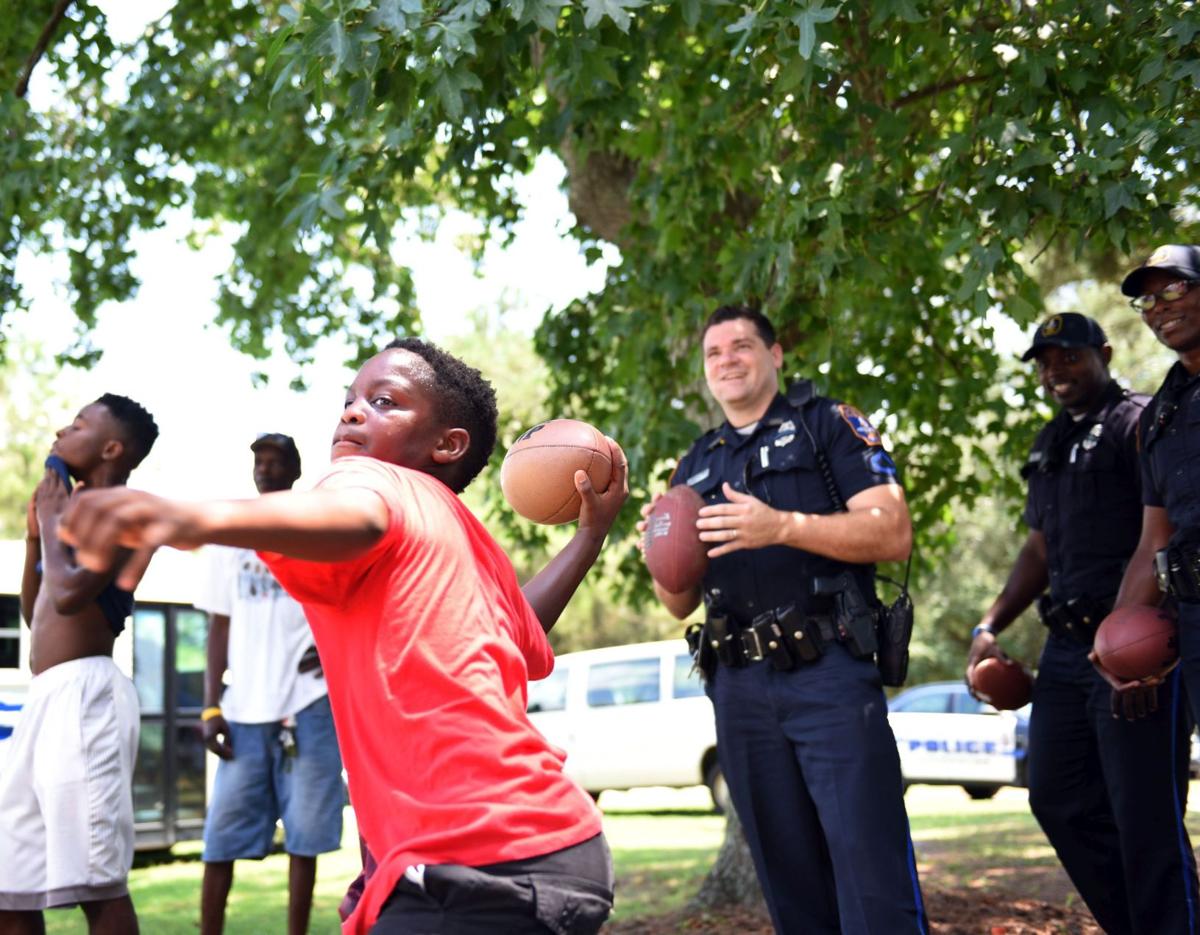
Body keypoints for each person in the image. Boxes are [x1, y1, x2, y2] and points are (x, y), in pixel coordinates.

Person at [57, 337, 628, 935]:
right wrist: (588, 539)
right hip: (543, 849)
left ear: (447, 444)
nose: (354, 412)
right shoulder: (463, 536)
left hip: (489, 859)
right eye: (350, 400)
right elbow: (523, 630)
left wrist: (188, 516)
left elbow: (359, 518)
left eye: (384, 401)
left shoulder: (369, 480)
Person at [641, 306, 926, 934]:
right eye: (713, 352)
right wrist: (660, 553)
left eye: (742, 346)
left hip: (827, 673)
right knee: (789, 882)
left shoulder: (829, 425)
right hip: (739, 688)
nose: (727, 360)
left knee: (870, 871)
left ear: (775, 355)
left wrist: (782, 527)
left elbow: (894, 531)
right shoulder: (693, 464)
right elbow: (677, 602)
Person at [965, 312, 1197, 934]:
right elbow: (1038, 550)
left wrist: (1152, 642)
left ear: (1104, 352)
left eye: (1067, 355)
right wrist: (989, 625)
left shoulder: (1143, 422)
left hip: (1135, 645)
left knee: (1145, 816)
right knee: (1057, 800)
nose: (1054, 370)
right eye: (1043, 361)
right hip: (1065, 653)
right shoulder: (1049, 441)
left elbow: (1165, 532)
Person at [0, 394, 158, 935]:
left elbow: (70, 596)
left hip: (87, 696)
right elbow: (38, 610)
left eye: (78, 425)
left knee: (97, 884)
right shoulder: (66, 516)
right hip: (44, 695)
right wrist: (33, 536)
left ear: (112, 447)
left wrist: (49, 517)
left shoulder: (127, 510)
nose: (61, 432)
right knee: (10, 890)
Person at [194, 432, 345, 935]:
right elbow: (219, 625)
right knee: (220, 837)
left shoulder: (317, 529)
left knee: (305, 836)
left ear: (295, 470)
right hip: (243, 710)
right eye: (259, 460)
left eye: (276, 461)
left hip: (309, 705)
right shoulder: (230, 535)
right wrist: (211, 707)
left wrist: (327, 651)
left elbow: (345, 605)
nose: (265, 469)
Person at [1112, 246, 1200, 729]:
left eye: (1173, 287)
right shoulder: (1156, 416)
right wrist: (1116, 639)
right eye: (1146, 301)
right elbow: (1154, 541)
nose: (1160, 307)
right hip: (1192, 619)